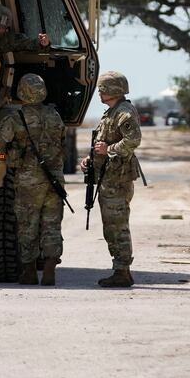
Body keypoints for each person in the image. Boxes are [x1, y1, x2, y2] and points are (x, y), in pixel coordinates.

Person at [0, 73, 66, 286]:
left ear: (22, 93)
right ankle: (49, 270)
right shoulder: (55, 116)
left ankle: (29, 272)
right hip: (55, 181)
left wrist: (9, 153)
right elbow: (61, 143)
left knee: (27, 225)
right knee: (51, 225)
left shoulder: (15, 118)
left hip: (28, 181)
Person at [80, 70, 141, 288]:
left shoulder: (123, 113)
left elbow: (133, 140)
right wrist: (91, 158)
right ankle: (120, 269)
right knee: (111, 225)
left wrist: (109, 149)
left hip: (118, 179)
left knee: (117, 226)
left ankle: (122, 271)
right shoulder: (112, 113)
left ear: (113, 91)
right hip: (109, 177)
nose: (99, 93)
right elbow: (104, 141)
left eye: (102, 89)